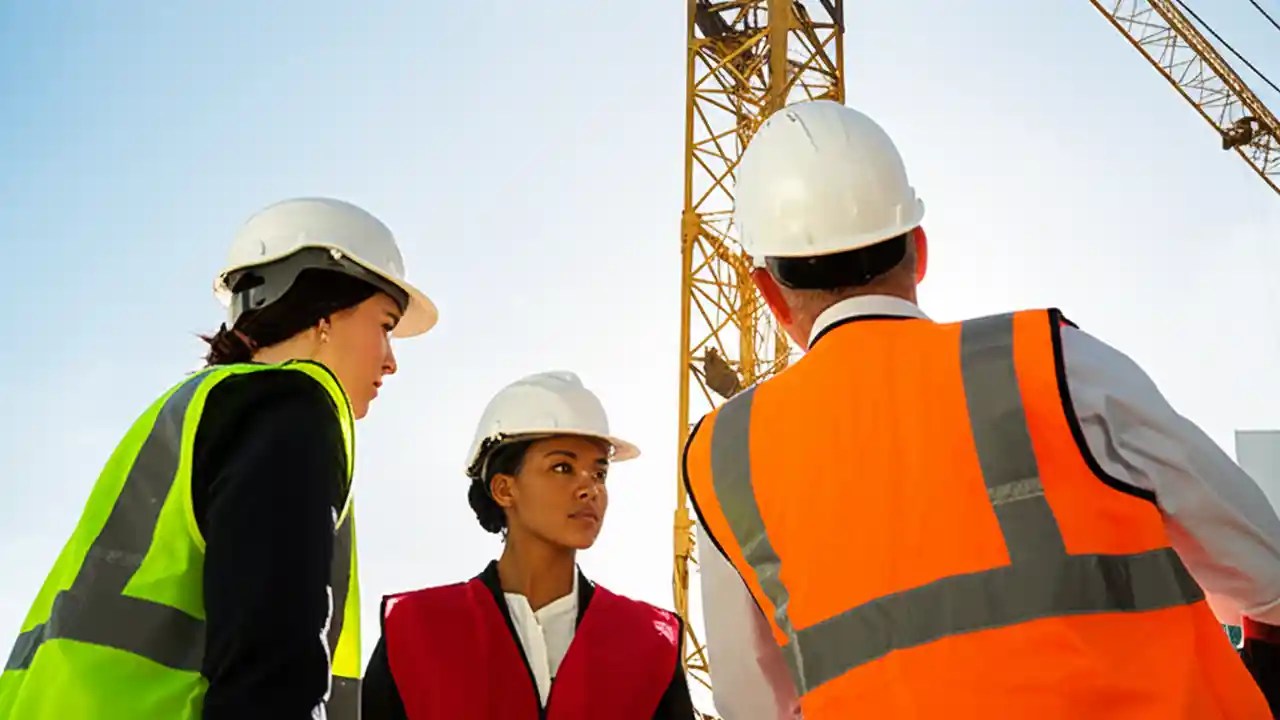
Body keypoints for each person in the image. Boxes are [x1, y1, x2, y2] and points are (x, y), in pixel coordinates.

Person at [682, 100, 1280, 718]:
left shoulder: (723, 458)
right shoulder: (1052, 362)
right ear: (919, 247)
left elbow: (750, 705)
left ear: (769, 295)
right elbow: (1266, 573)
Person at [0, 197, 438, 719]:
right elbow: (270, 664)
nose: (390, 362)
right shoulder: (291, 407)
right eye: (385, 325)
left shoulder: (192, 409)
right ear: (326, 311)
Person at [362, 371, 695, 719]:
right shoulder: (416, 631)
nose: (589, 489)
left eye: (599, 474)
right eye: (563, 467)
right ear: (504, 489)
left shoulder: (649, 642)